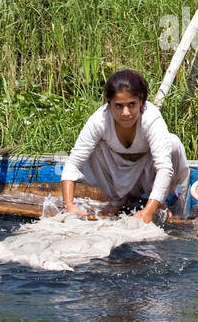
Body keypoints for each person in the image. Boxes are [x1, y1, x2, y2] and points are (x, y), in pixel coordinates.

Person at [60, 69, 190, 224]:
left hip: (147, 174)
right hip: (117, 175)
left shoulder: (151, 118)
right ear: (109, 104)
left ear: (141, 102)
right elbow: (74, 162)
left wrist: (148, 211)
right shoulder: (100, 120)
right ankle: (118, 200)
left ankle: (157, 202)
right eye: (119, 106)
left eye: (132, 105)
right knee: (93, 148)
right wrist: (69, 205)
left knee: (173, 143)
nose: (125, 113)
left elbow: (164, 168)